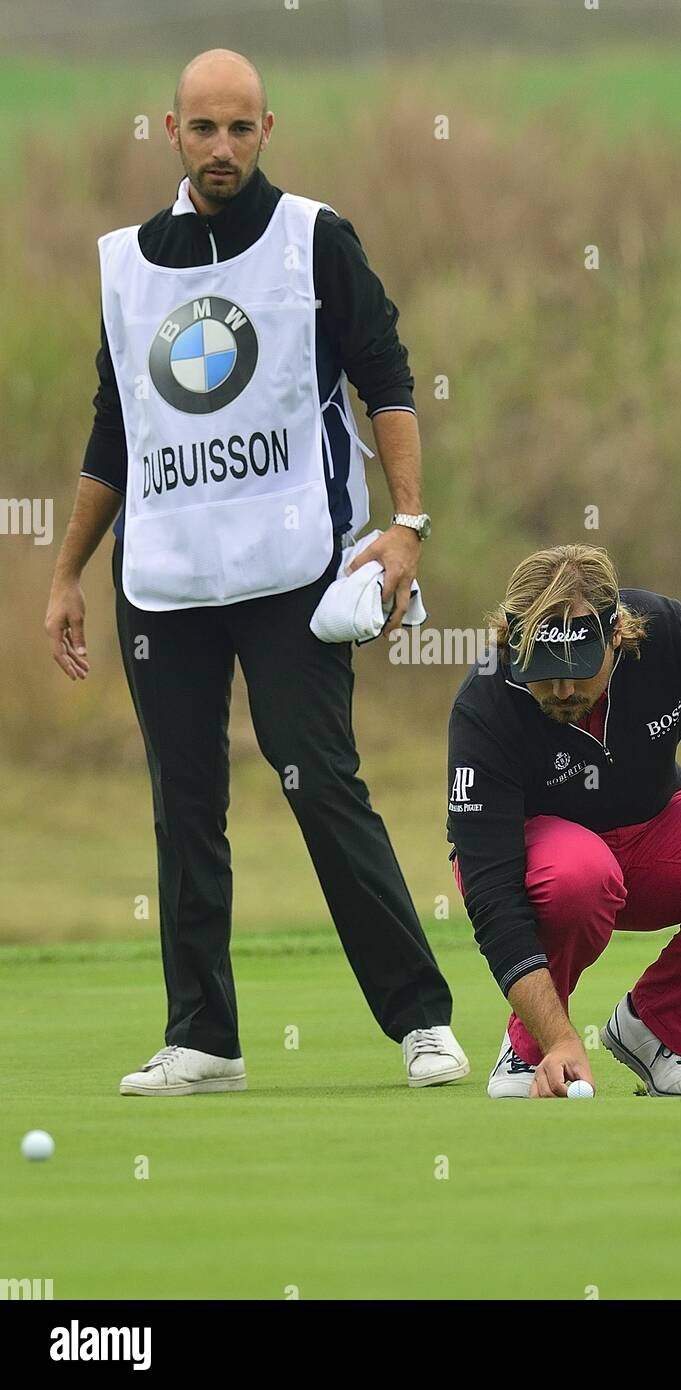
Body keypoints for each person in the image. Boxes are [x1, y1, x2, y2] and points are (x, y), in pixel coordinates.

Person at [45, 48, 468, 1096]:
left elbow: (388, 383)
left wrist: (406, 525)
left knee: (319, 779)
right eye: (203, 129)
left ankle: (421, 1019)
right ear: (172, 131)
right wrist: (65, 573)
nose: (221, 147)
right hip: (166, 580)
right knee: (183, 802)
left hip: (294, 575)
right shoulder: (128, 263)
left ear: (266, 129)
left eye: (240, 128)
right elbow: (117, 432)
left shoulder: (314, 240)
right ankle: (204, 1039)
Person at [446, 523, 681, 1099]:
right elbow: (492, 890)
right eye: (541, 671)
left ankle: (656, 1030)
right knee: (581, 873)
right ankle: (529, 1053)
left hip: (655, 833)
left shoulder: (664, 633)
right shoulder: (486, 703)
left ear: (617, 635)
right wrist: (557, 1035)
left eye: (576, 667)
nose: (558, 689)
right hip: (546, 867)